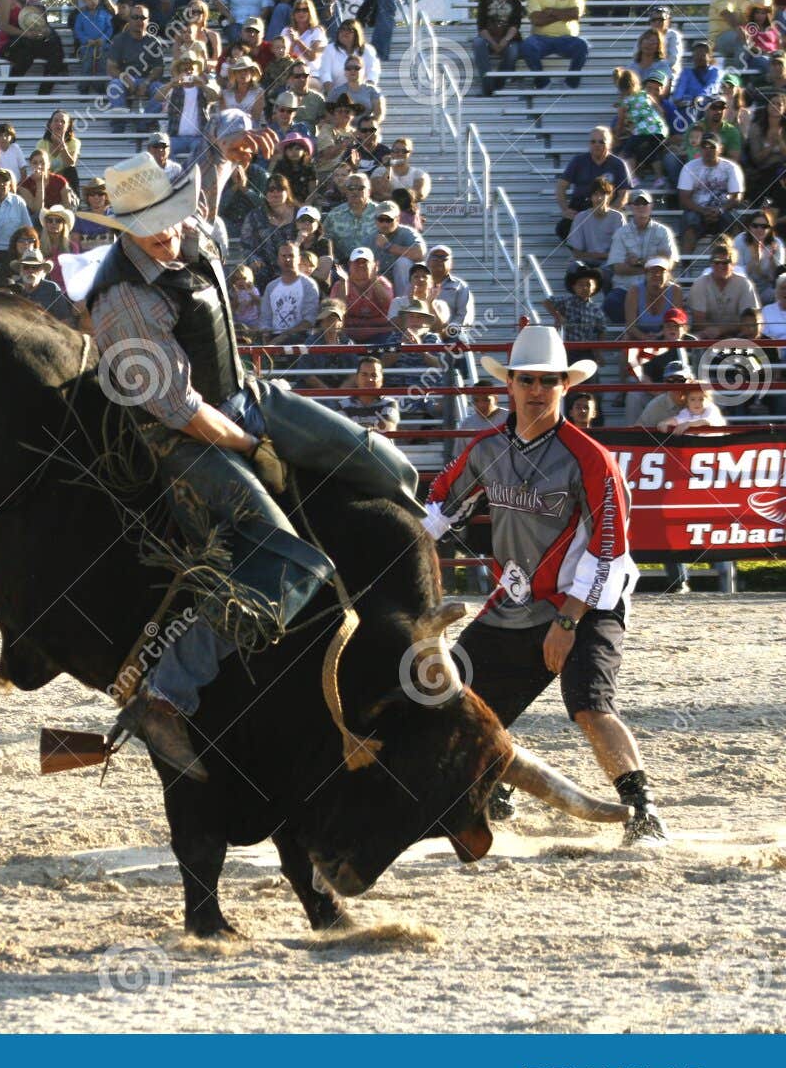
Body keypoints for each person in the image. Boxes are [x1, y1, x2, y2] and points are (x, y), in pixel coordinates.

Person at [78, 148, 422, 782]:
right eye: (153, 220)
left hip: (248, 395)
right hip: (186, 442)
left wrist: (226, 158)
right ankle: (164, 697)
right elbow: (181, 411)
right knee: (278, 562)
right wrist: (248, 447)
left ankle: (405, 608)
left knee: (390, 468)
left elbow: (206, 188)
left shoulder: (186, 235)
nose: (171, 228)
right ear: (125, 230)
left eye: (174, 212)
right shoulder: (121, 303)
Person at [423, 326, 666, 845]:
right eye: (527, 379)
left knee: (589, 706)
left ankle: (642, 810)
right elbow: (437, 513)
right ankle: (498, 784)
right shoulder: (486, 450)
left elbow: (608, 553)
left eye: (548, 381)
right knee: (454, 696)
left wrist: (567, 621)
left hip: (589, 602)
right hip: (517, 598)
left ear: (565, 386)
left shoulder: (591, 459)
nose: (537, 389)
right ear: (509, 384)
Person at [555, 127, 632, 243]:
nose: (597, 145)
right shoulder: (578, 161)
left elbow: (624, 195)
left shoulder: (618, 164)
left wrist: (609, 213)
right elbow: (561, 187)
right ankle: (581, 255)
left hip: (607, 207)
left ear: (610, 144)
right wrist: (565, 209)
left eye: (602, 141)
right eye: (593, 141)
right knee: (563, 229)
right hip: (581, 207)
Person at [521, 0, 589, 90]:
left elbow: (576, 14)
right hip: (540, 39)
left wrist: (550, 11)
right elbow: (536, 20)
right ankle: (543, 83)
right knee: (527, 45)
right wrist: (564, 15)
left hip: (568, 39)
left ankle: (571, 83)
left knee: (582, 46)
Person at [474, 0, 525, 97]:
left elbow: (516, 23)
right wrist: (492, 42)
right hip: (489, 36)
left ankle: (497, 84)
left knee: (513, 51)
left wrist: (505, 40)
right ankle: (487, 86)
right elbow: (481, 25)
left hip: (509, 37)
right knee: (478, 43)